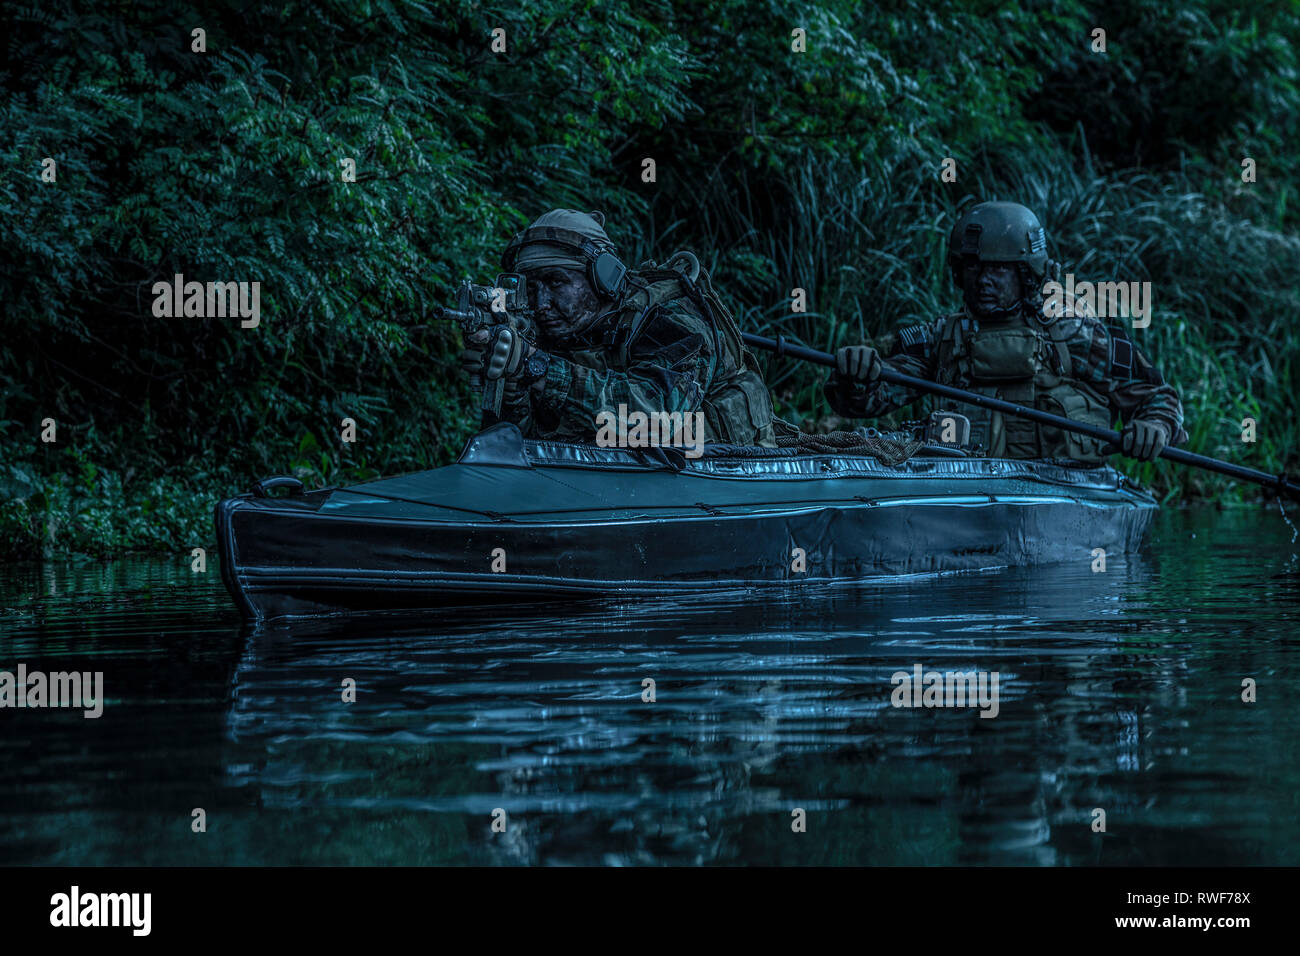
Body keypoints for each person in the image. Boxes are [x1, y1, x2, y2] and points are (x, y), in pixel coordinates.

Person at [825, 201, 1185, 462]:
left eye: (998, 269)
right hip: (967, 497)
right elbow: (867, 402)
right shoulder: (944, 340)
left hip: (1063, 493)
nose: (982, 280)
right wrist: (856, 374)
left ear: (1026, 273)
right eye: (973, 268)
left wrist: (1153, 427)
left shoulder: (1074, 335)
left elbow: (1158, 396)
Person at [459, 208, 778, 448]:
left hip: (728, 480)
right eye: (531, 288)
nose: (540, 303)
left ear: (603, 277)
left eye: (556, 281)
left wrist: (536, 367)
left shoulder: (672, 316)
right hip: (619, 489)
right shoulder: (552, 333)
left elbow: (657, 419)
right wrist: (510, 387)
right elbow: (524, 446)